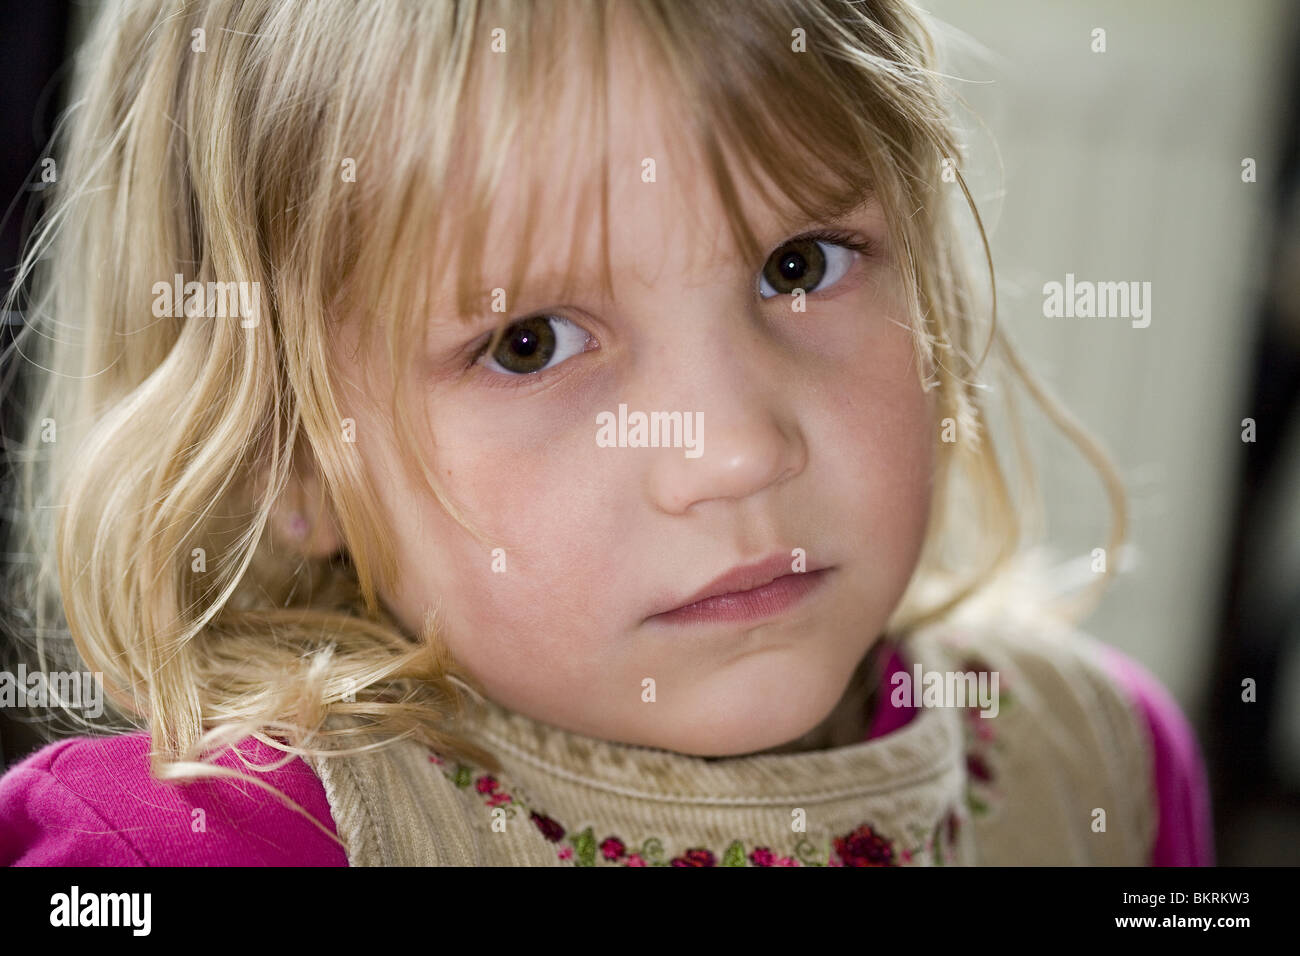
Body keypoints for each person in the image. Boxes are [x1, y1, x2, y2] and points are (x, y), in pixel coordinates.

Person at [0, 0, 1212, 866]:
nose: (733, 450)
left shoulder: (1103, 768)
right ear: (291, 455)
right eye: (530, 340)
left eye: (803, 262)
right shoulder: (194, 847)